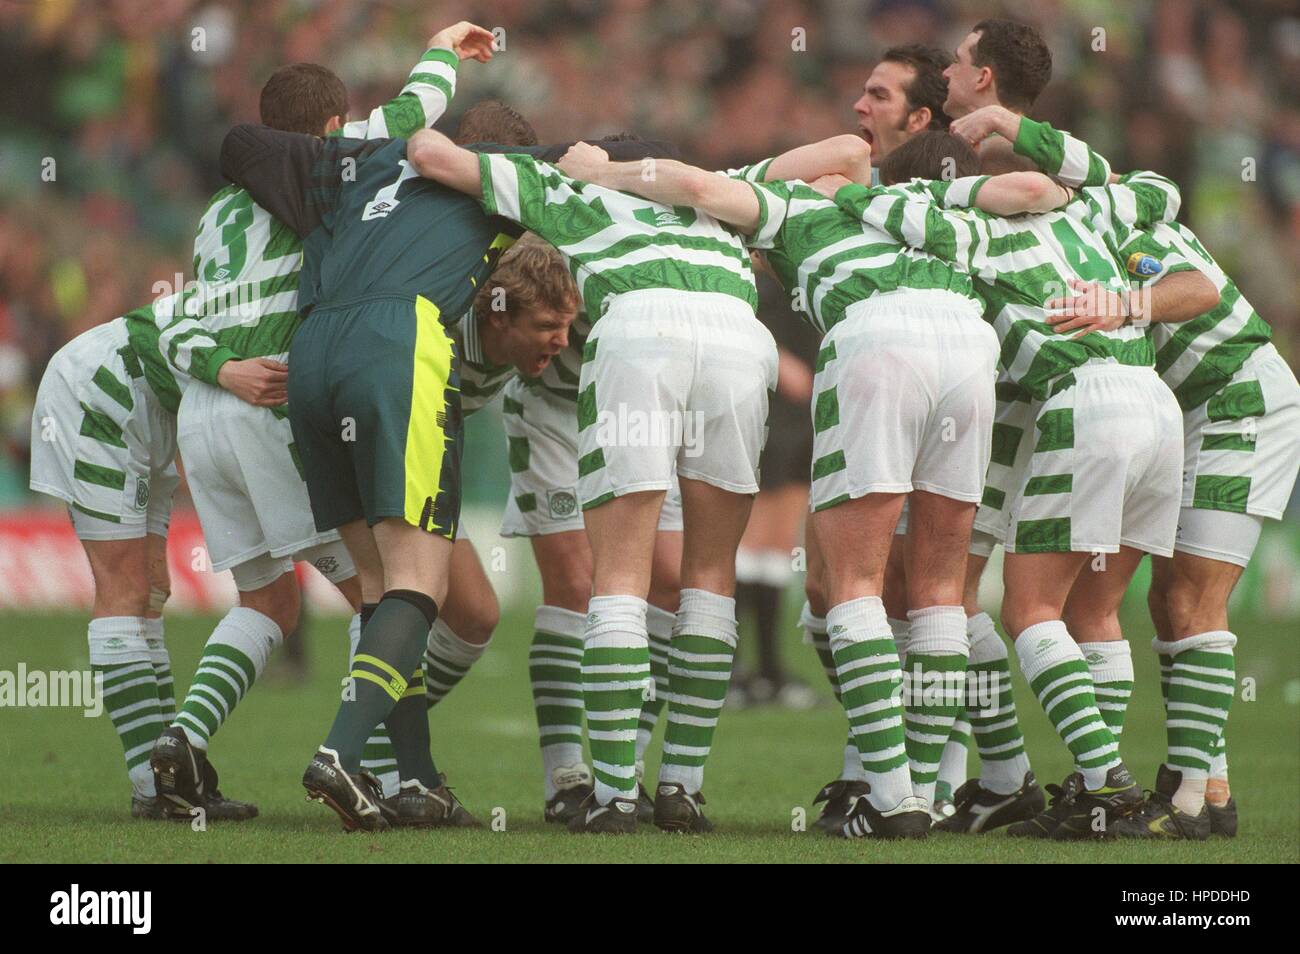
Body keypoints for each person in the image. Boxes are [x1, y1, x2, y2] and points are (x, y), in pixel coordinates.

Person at [147, 19, 497, 825]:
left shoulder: (216, 216)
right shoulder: (329, 170)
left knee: (267, 605)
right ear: (333, 128)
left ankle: (183, 738)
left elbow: (177, 311)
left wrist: (215, 368)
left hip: (211, 409)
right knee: (388, 591)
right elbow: (413, 115)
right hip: (277, 398)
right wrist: (445, 47)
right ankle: (391, 773)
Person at [830, 144, 1220, 839]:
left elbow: (868, 201)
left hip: (1085, 403)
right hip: (1158, 408)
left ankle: (1111, 785)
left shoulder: (973, 228)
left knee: (1030, 610)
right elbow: (1161, 189)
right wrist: (1080, 183)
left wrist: (871, 188)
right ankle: (1092, 791)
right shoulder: (1097, 214)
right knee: (1096, 614)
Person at [406, 126, 780, 834]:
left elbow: (431, 151)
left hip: (636, 371)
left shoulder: (597, 194)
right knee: (595, 583)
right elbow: (830, 161)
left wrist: (576, 166)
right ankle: (574, 777)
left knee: (654, 582)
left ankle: (626, 779)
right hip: (567, 403)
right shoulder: (703, 196)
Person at [999, 112, 1300, 839]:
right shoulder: (1106, 211)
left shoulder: (1120, 228)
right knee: (1169, 601)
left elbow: (1197, 290)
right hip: (1190, 410)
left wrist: (1125, 305)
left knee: (1193, 599)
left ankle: (1190, 803)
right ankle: (1208, 789)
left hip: (1237, 400)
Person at [28, 289, 277, 820]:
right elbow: (152, 329)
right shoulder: (265, 297)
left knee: (151, 591)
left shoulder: (259, 289)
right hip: (102, 392)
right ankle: (153, 786)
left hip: (154, 413)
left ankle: (173, 779)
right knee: (127, 587)